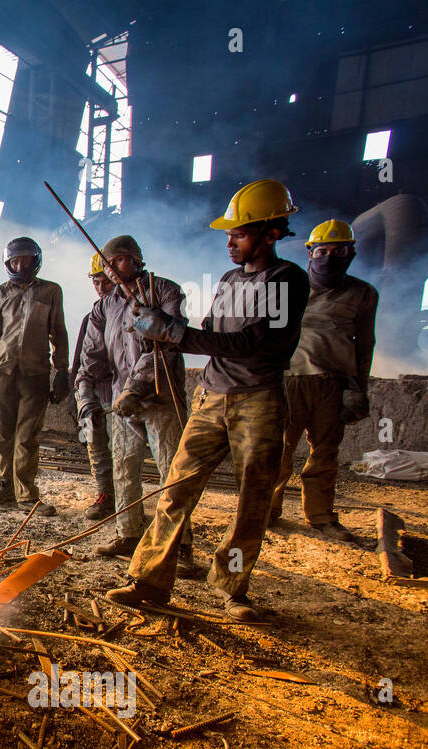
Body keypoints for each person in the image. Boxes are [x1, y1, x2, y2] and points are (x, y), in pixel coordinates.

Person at [108, 179, 309, 621]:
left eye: (239, 233)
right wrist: (162, 334)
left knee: (251, 499)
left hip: (257, 401)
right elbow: (213, 335)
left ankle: (233, 588)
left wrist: (173, 332)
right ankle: (149, 581)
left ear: (271, 233)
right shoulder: (229, 280)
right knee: (176, 487)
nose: (230, 242)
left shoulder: (286, 280)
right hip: (212, 397)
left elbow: (251, 342)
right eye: (229, 234)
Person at [76, 237, 197, 573]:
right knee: (124, 468)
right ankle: (128, 533)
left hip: (160, 398)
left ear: (135, 260)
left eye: (116, 262)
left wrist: (135, 387)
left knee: (172, 472)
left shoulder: (166, 293)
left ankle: (180, 544)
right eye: (107, 264)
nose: (110, 271)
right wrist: (85, 392)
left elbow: (166, 346)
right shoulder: (105, 307)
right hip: (121, 400)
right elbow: (93, 355)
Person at [268, 219, 377, 541]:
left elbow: (365, 344)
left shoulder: (362, 294)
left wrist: (359, 388)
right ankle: (267, 510)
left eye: (338, 251)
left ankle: (321, 515)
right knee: (278, 452)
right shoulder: (291, 286)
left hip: (332, 384)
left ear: (350, 253)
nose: (329, 257)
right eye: (322, 251)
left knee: (325, 454)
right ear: (310, 252)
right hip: (289, 379)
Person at [0, 236, 69, 516]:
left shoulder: (51, 292)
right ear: (8, 263)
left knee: (27, 435)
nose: (20, 264)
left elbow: (59, 333)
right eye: (15, 260)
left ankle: (26, 494)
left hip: (36, 373)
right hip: (2, 372)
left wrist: (62, 371)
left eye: (25, 259)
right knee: (3, 434)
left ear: (35, 260)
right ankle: (3, 486)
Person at [72, 252, 115, 520]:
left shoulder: (131, 312)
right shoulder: (91, 318)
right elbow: (80, 359)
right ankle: (105, 495)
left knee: (124, 452)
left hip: (122, 392)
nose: (101, 287)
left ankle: (127, 503)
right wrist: (76, 395)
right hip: (96, 392)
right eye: (96, 282)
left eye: (106, 282)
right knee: (96, 445)